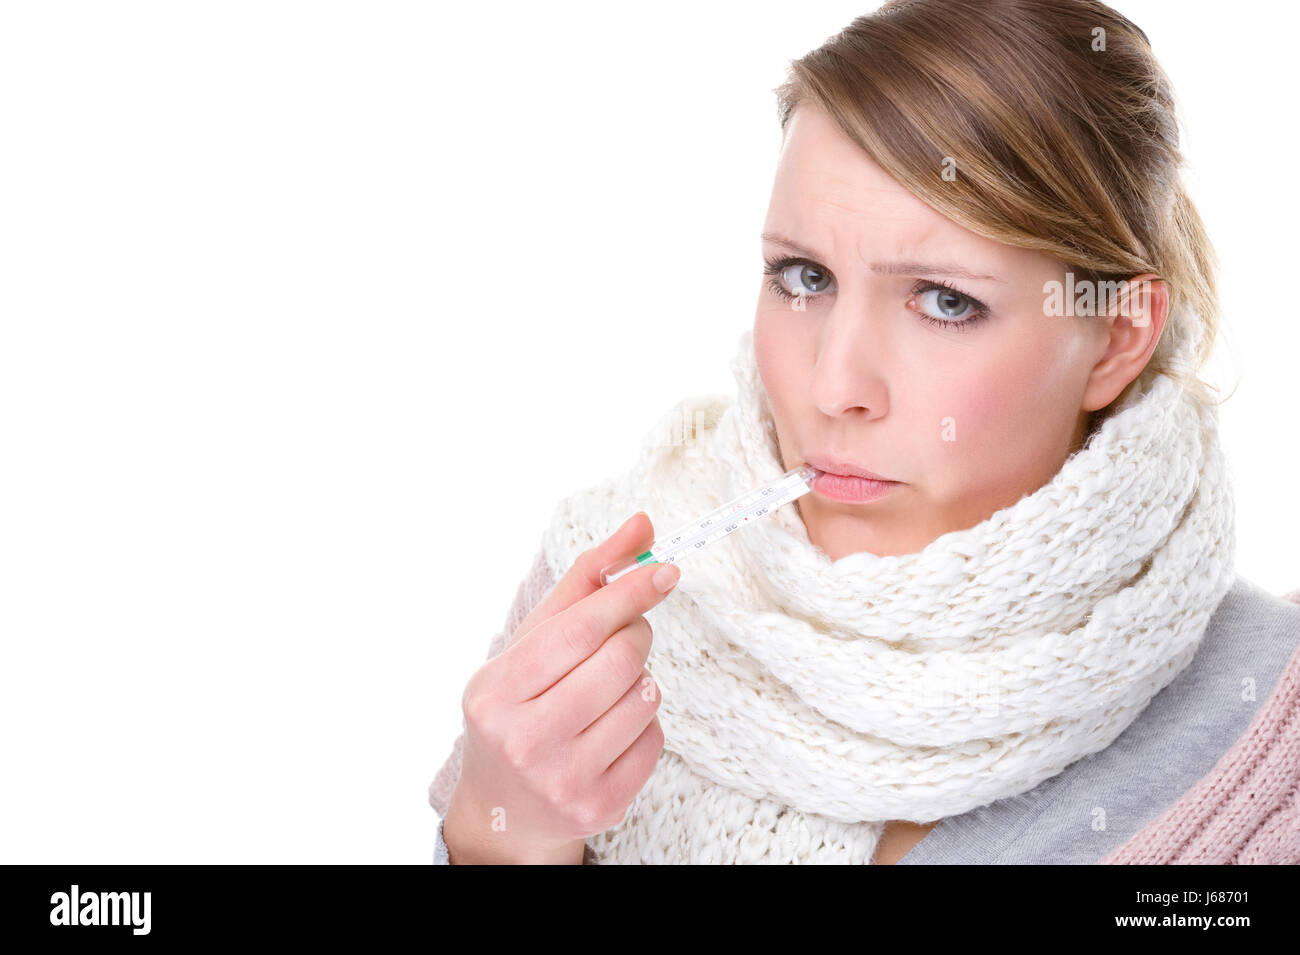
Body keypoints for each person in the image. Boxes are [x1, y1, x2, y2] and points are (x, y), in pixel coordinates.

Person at [430, 0, 1300, 864]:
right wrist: (500, 833)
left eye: (945, 300)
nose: (832, 385)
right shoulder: (597, 591)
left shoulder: (1273, 729)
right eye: (804, 276)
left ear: (1114, 337)